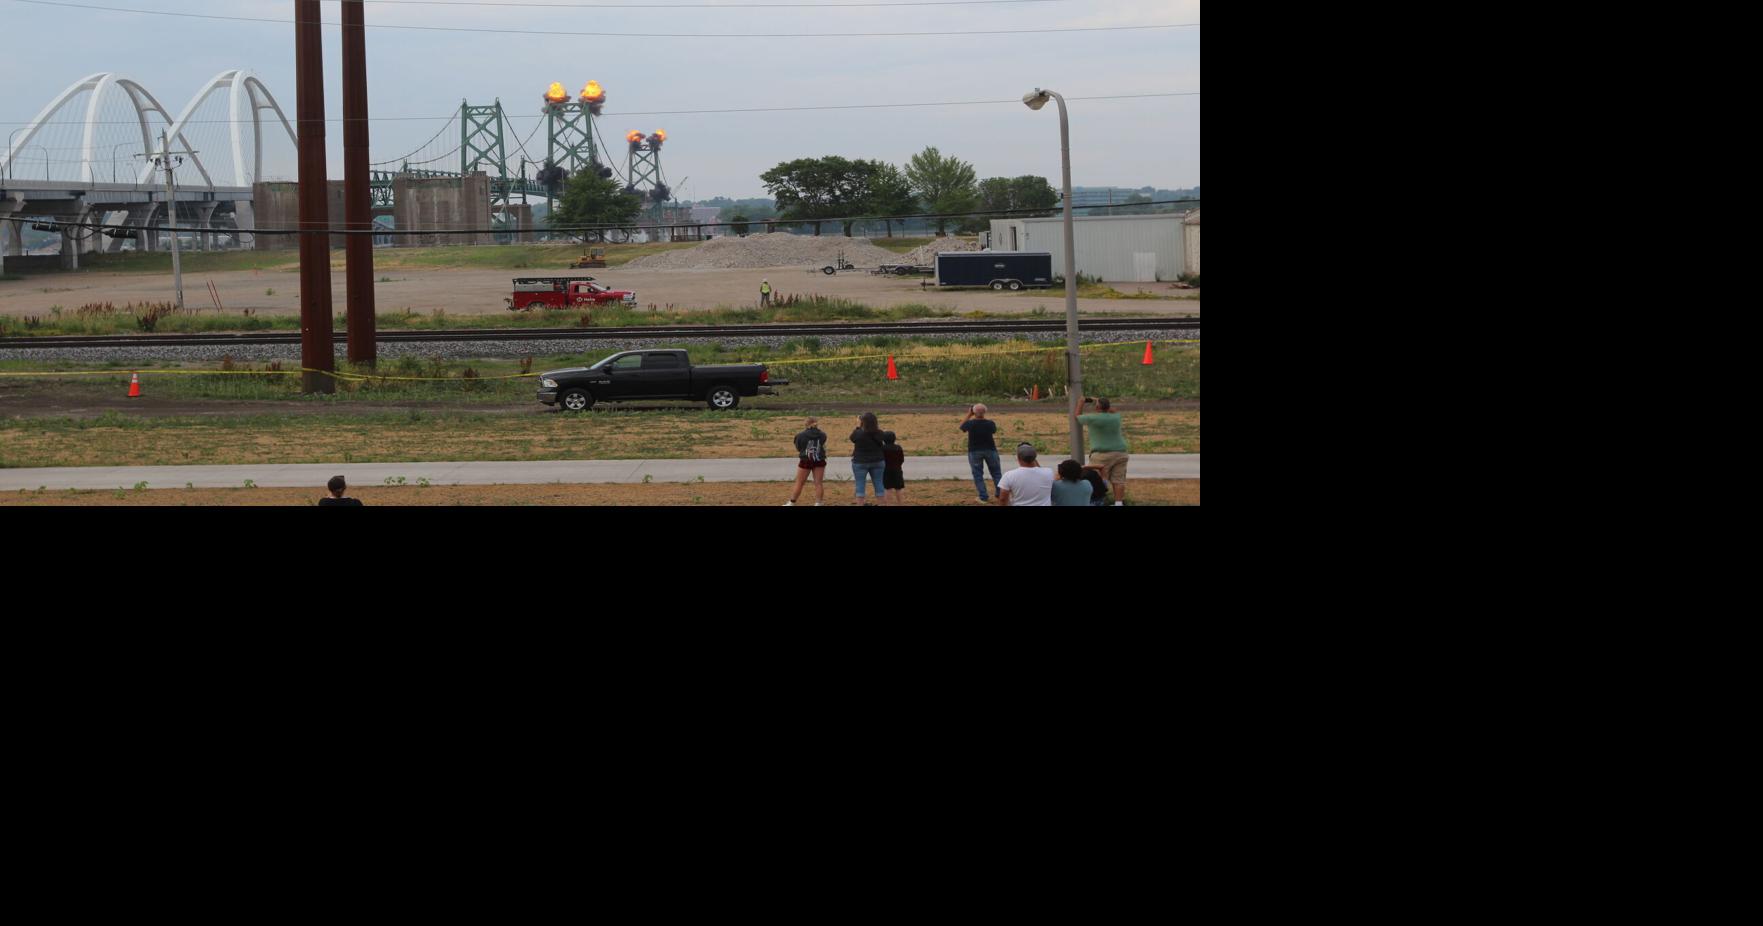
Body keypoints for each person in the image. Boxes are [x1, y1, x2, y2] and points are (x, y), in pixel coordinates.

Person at [1076, 396, 1130, 506]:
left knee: (1095, 478)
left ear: (1097, 407)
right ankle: (1118, 503)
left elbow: (1077, 417)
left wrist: (1081, 402)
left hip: (1102, 454)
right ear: (1108, 407)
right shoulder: (1116, 417)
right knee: (1118, 480)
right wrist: (1099, 401)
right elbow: (1114, 410)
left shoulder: (1093, 418)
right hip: (1121, 452)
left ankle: (1096, 501)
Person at [960, 403, 1003, 503]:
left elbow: (962, 427)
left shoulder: (970, 423)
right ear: (985, 412)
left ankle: (983, 496)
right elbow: (994, 431)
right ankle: (1000, 493)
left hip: (974, 451)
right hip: (991, 450)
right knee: (996, 473)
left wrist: (969, 414)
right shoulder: (990, 423)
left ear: (974, 412)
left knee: (978, 474)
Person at [785, 416, 827, 506]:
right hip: (819, 459)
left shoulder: (800, 435)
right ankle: (818, 503)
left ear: (806, 424)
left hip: (806, 460)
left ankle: (792, 502)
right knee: (818, 483)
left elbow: (799, 447)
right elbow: (822, 443)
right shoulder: (823, 434)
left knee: (800, 482)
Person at [997, 443, 1055, 507]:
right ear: (1035, 457)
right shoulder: (1049, 472)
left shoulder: (1009, 475)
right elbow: (1039, 470)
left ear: (1018, 458)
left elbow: (1003, 499)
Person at [849, 412, 889, 505]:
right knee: (879, 484)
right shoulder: (880, 433)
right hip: (878, 461)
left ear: (863, 422)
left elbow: (852, 438)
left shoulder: (858, 433)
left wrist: (858, 426)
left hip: (860, 462)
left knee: (860, 485)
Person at [881, 430, 906, 506]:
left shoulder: (882, 448)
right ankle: (900, 503)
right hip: (897, 469)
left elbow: (881, 459)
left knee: (888, 488)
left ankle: (888, 504)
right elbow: (902, 459)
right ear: (894, 438)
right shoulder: (898, 448)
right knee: (899, 488)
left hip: (886, 470)